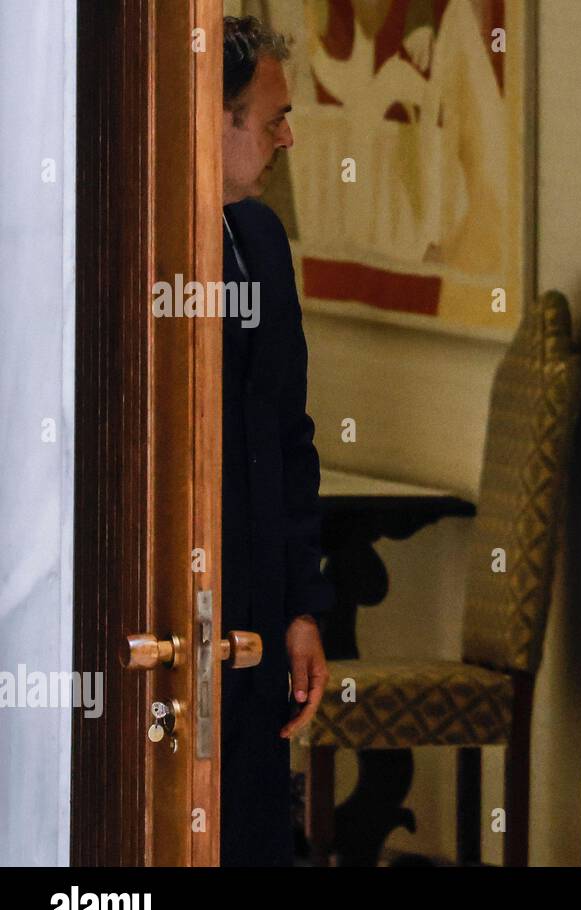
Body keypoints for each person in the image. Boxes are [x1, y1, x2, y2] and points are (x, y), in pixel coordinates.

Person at [220, 15, 332, 867]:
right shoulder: (130, 245)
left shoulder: (259, 240)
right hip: (177, 614)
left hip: (260, 618)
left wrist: (301, 608)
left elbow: (289, 435)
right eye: (270, 119)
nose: (286, 137)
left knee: (256, 837)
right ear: (212, 120)